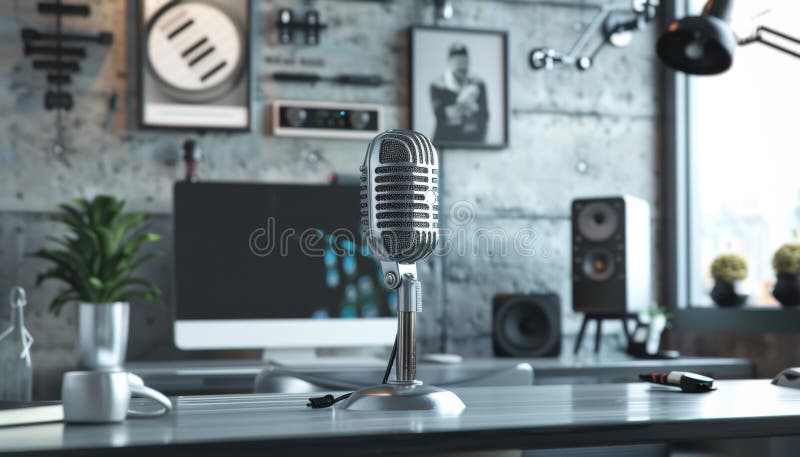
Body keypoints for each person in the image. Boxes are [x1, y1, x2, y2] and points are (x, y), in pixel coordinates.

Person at [430, 43, 489, 143]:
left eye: (465, 61)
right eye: (458, 61)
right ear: (450, 62)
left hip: (473, 141)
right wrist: (463, 100)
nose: (462, 65)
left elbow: (484, 116)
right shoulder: (437, 85)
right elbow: (441, 116)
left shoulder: (479, 84)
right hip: (446, 141)